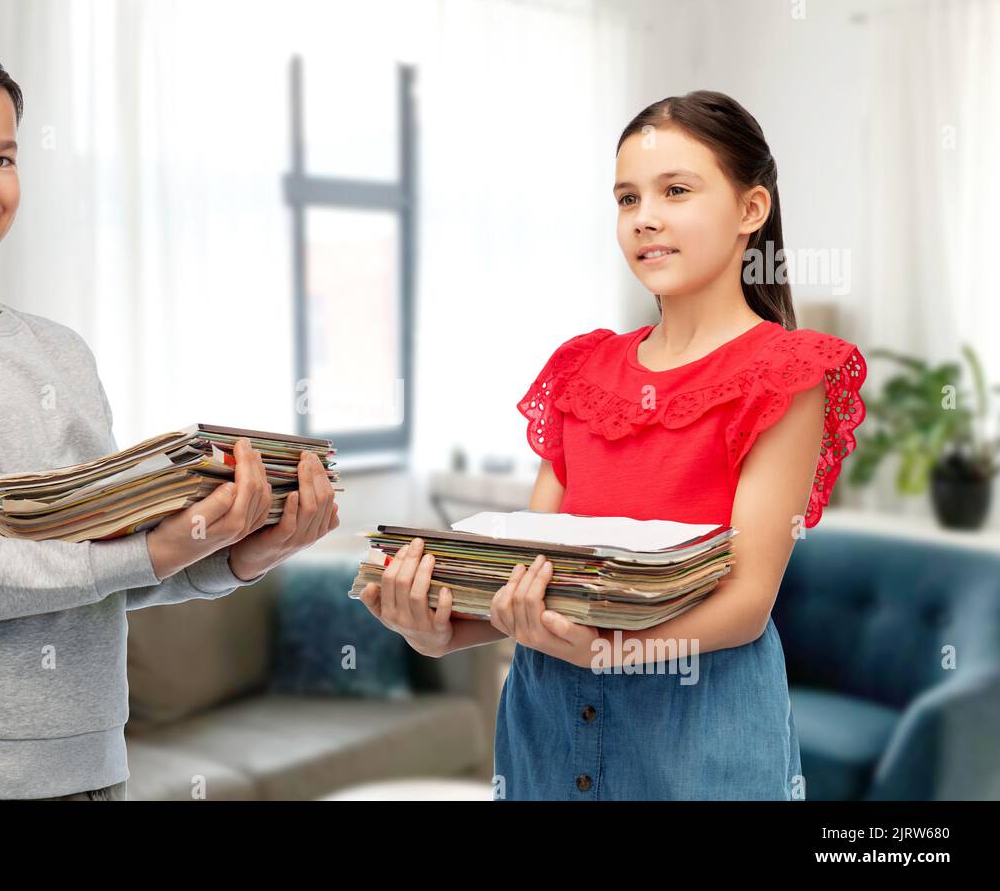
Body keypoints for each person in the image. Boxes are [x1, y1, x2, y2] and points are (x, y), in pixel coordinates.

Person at [0, 35, 339, 801]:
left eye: (1, 158)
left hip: (97, 771)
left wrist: (237, 551)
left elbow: (100, 572)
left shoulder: (59, 350)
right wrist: (151, 552)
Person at [357, 90, 867, 800]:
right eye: (627, 198)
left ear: (751, 210)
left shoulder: (786, 373)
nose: (645, 218)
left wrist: (610, 653)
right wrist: (437, 631)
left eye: (676, 190)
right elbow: (534, 577)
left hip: (699, 725)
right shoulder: (581, 369)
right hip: (547, 725)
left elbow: (747, 601)